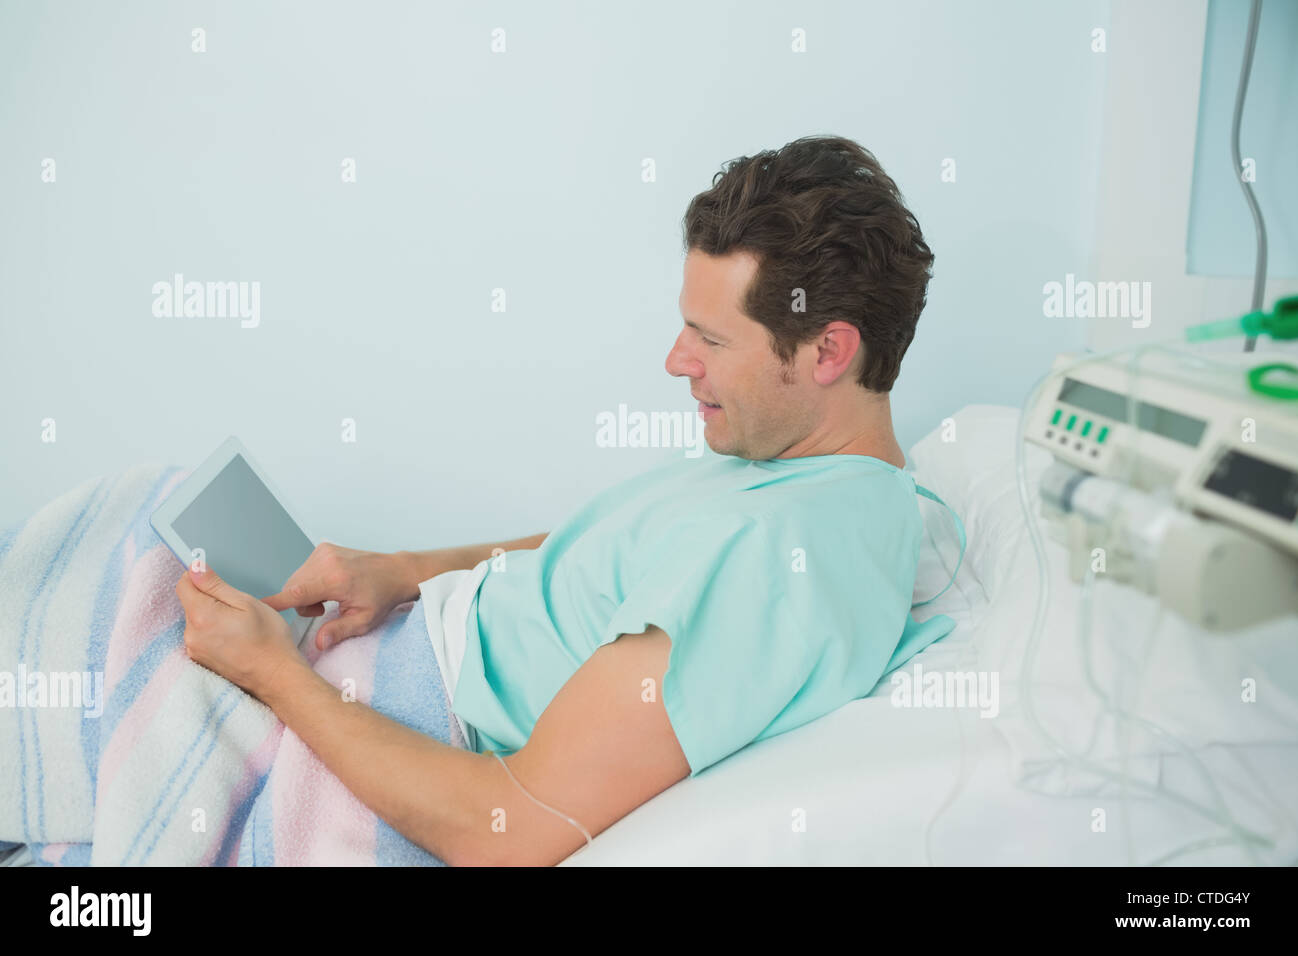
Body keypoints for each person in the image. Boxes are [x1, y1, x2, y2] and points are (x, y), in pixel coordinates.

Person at [173, 134, 963, 867]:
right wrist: (404, 570)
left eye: (712, 340)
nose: (675, 360)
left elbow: (505, 827)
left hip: (403, 714)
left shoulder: (772, 561)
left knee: (141, 570)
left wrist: (273, 673)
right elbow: (616, 557)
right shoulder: (804, 467)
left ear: (828, 350)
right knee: (163, 521)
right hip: (400, 638)